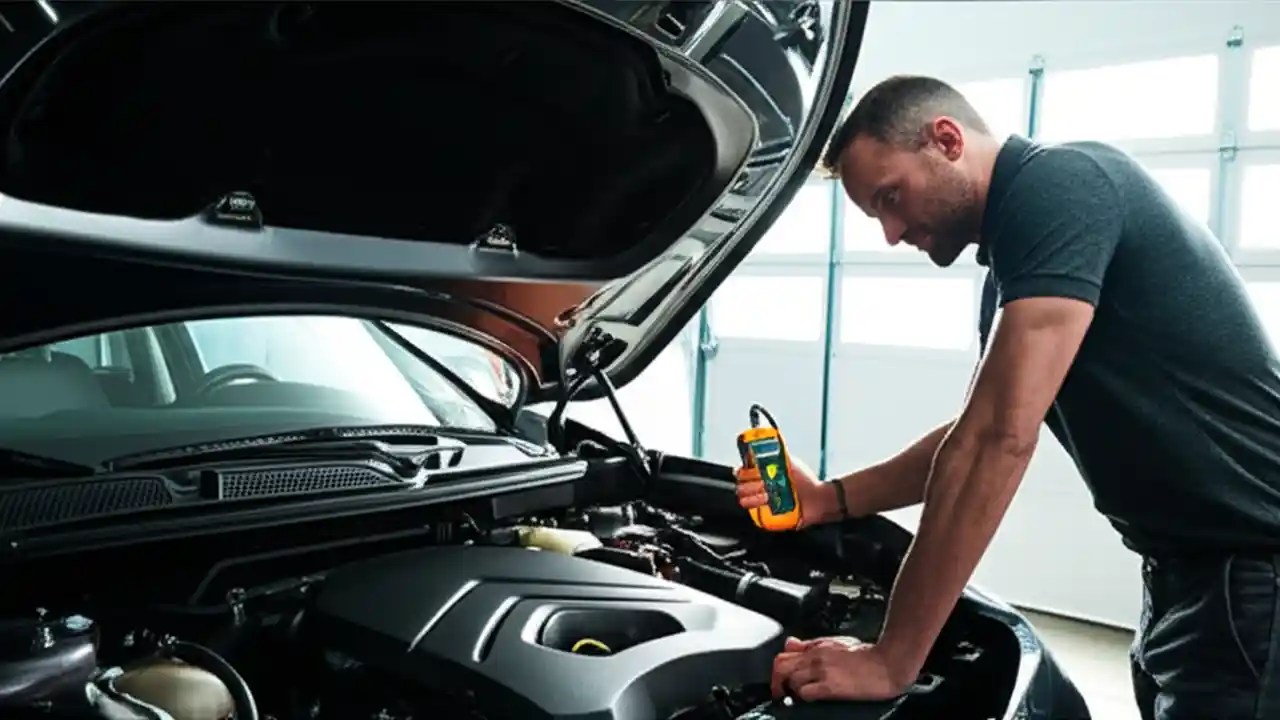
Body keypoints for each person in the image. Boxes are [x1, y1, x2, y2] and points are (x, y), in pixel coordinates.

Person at [735, 74, 1280, 720]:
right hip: (1188, 577)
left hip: (1253, 574)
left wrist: (891, 657)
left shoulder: (1060, 187)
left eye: (890, 197)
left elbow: (996, 438)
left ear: (945, 139)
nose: (889, 232)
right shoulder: (1016, 274)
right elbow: (968, 434)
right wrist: (829, 498)